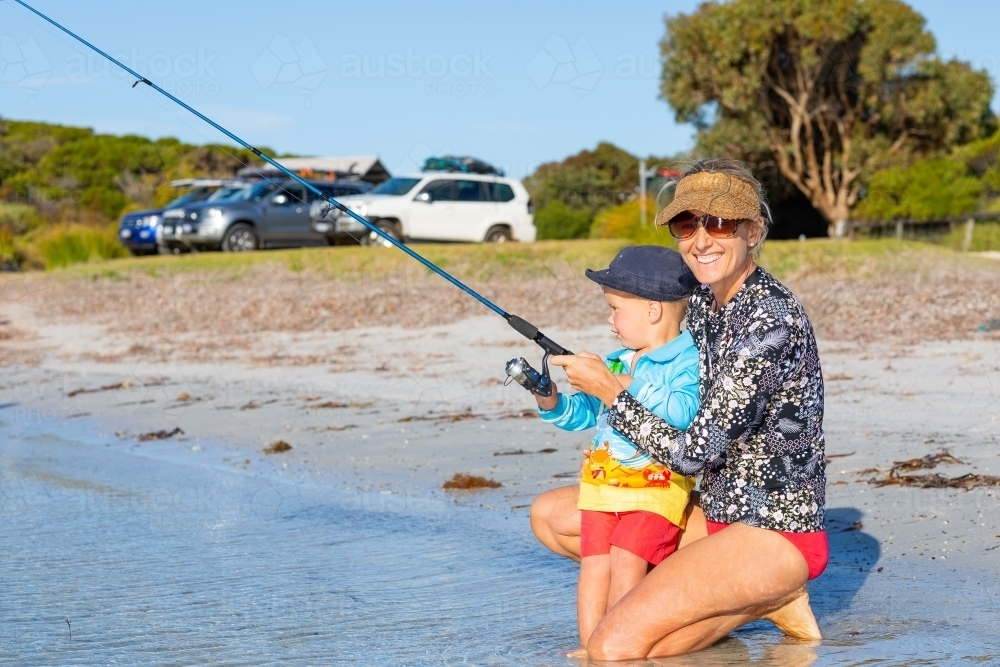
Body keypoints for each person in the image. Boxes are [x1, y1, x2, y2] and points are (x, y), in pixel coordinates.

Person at [531, 158, 828, 659]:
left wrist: (611, 392)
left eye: (720, 222)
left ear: (753, 231)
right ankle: (752, 600)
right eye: (687, 224)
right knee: (552, 517)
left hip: (773, 529)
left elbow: (693, 453)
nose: (701, 239)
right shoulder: (707, 308)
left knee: (613, 648)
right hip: (712, 514)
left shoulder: (768, 320)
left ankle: (768, 591)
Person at [531, 246, 700, 655]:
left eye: (616, 309)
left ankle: (623, 641)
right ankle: (592, 647)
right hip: (603, 487)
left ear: (653, 310)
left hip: (655, 489)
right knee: (595, 564)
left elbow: (681, 412)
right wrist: (552, 403)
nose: (610, 320)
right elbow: (589, 412)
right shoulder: (620, 359)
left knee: (627, 560)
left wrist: (617, 383)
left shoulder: (687, 359)